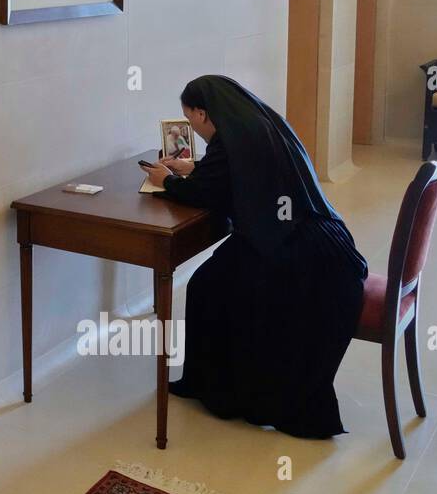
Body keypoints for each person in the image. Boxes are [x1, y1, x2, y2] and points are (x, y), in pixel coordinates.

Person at [138, 74, 367, 439]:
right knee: (211, 283)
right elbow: (241, 174)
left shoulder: (228, 140)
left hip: (296, 253)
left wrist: (166, 178)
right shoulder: (260, 122)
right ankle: (215, 384)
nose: (195, 131)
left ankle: (222, 390)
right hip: (318, 238)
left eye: (192, 119)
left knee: (210, 287)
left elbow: (205, 193)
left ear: (201, 113)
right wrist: (193, 168)